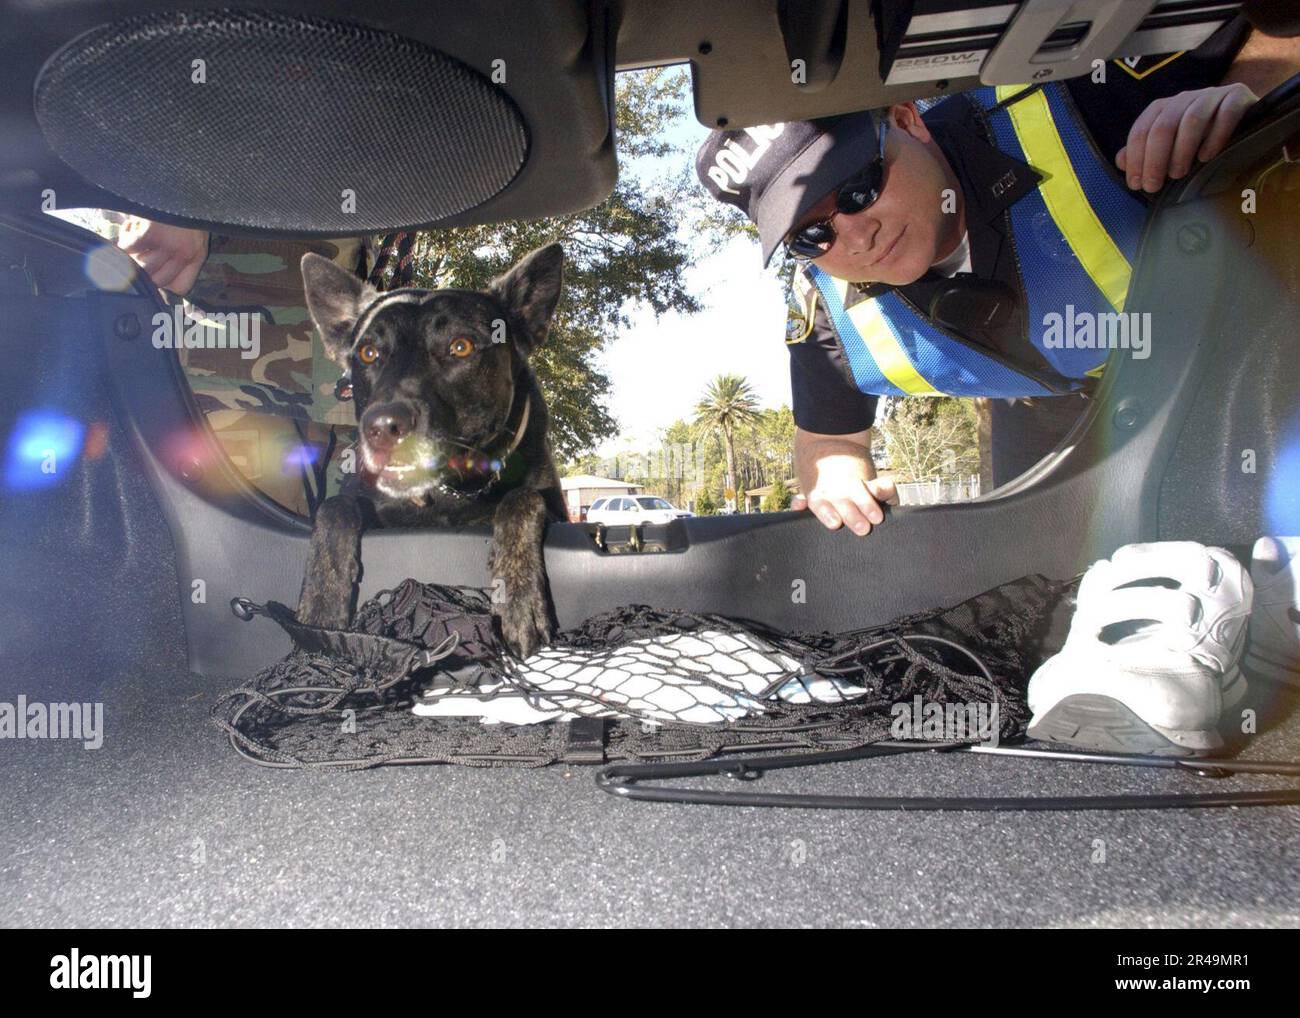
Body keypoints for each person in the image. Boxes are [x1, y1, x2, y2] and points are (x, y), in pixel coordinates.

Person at [697, 17, 1299, 537]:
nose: (856, 238)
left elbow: (1273, 28)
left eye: (859, 188)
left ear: (908, 119)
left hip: (1251, 360)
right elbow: (830, 442)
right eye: (811, 234)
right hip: (1054, 414)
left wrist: (1253, 97)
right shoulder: (828, 310)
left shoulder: (1077, 96)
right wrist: (838, 484)